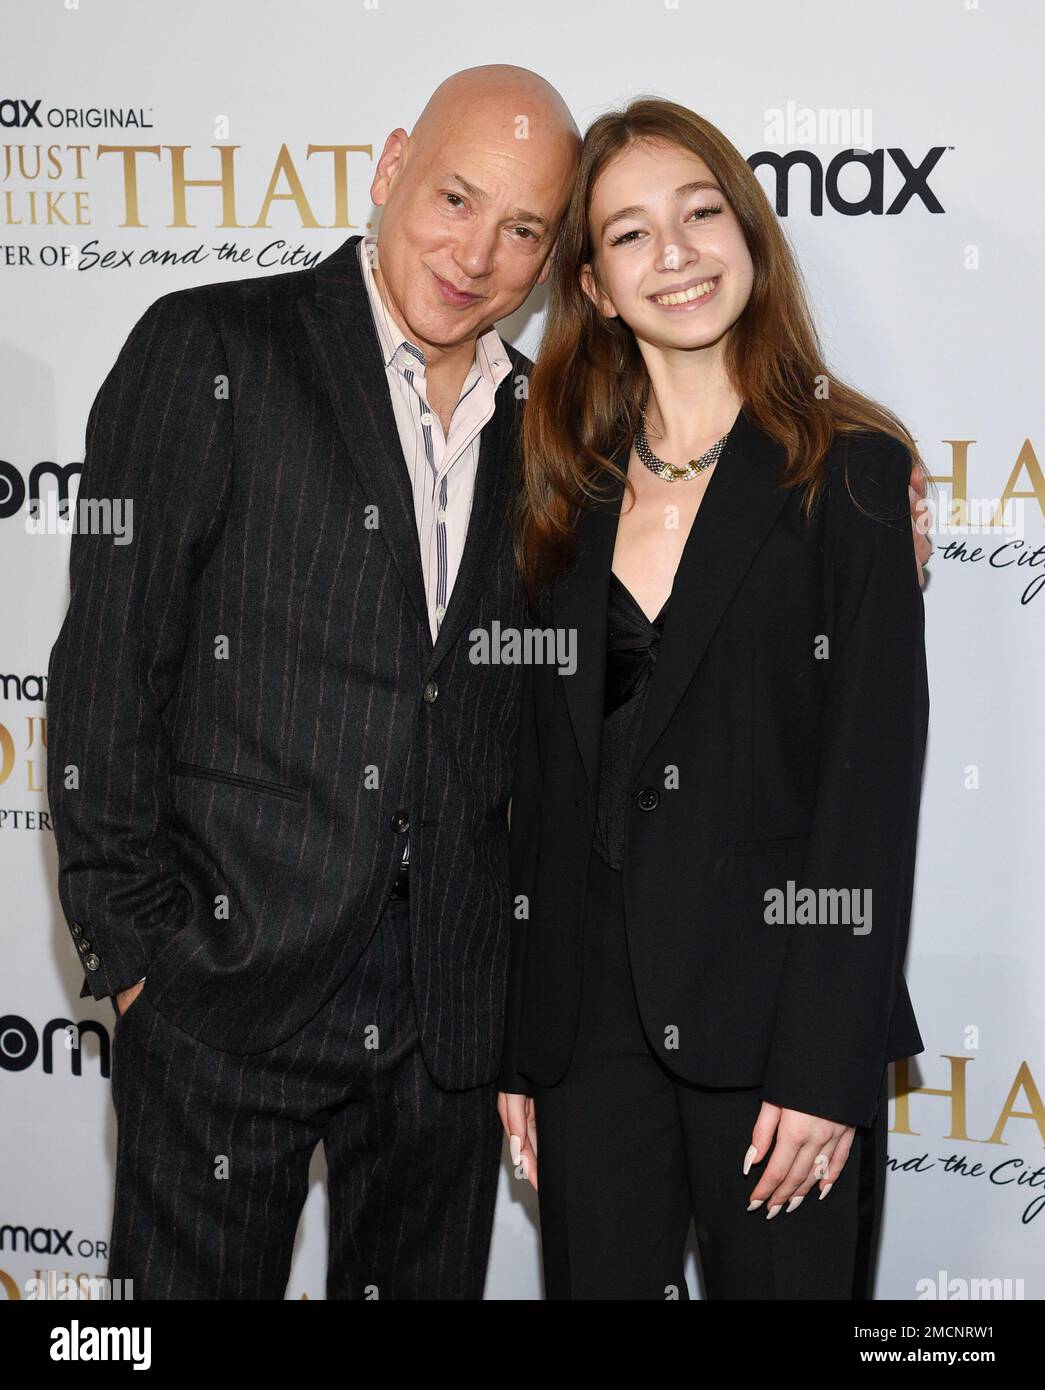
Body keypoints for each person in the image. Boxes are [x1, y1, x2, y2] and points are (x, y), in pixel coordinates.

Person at [46, 64, 580, 1300]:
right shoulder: (216, 345)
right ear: (392, 167)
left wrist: (858, 509)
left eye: (522, 230)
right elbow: (108, 671)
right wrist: (142, 959)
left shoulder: (552, 424)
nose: (476, 254)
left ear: (550, 259)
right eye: (456, 196)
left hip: (445, 1017)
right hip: (227, 984)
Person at [497, 96, 930, 1300]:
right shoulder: (553, 491)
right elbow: (539, 788)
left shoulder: (848, 473)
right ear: (589, 283)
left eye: (698, 214)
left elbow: (870, 794)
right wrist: (525, 1045)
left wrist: (825, 1065)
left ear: (748, 232)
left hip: (776, 1038)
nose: (674, 254)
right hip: (588, 1041)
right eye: (629, 234)